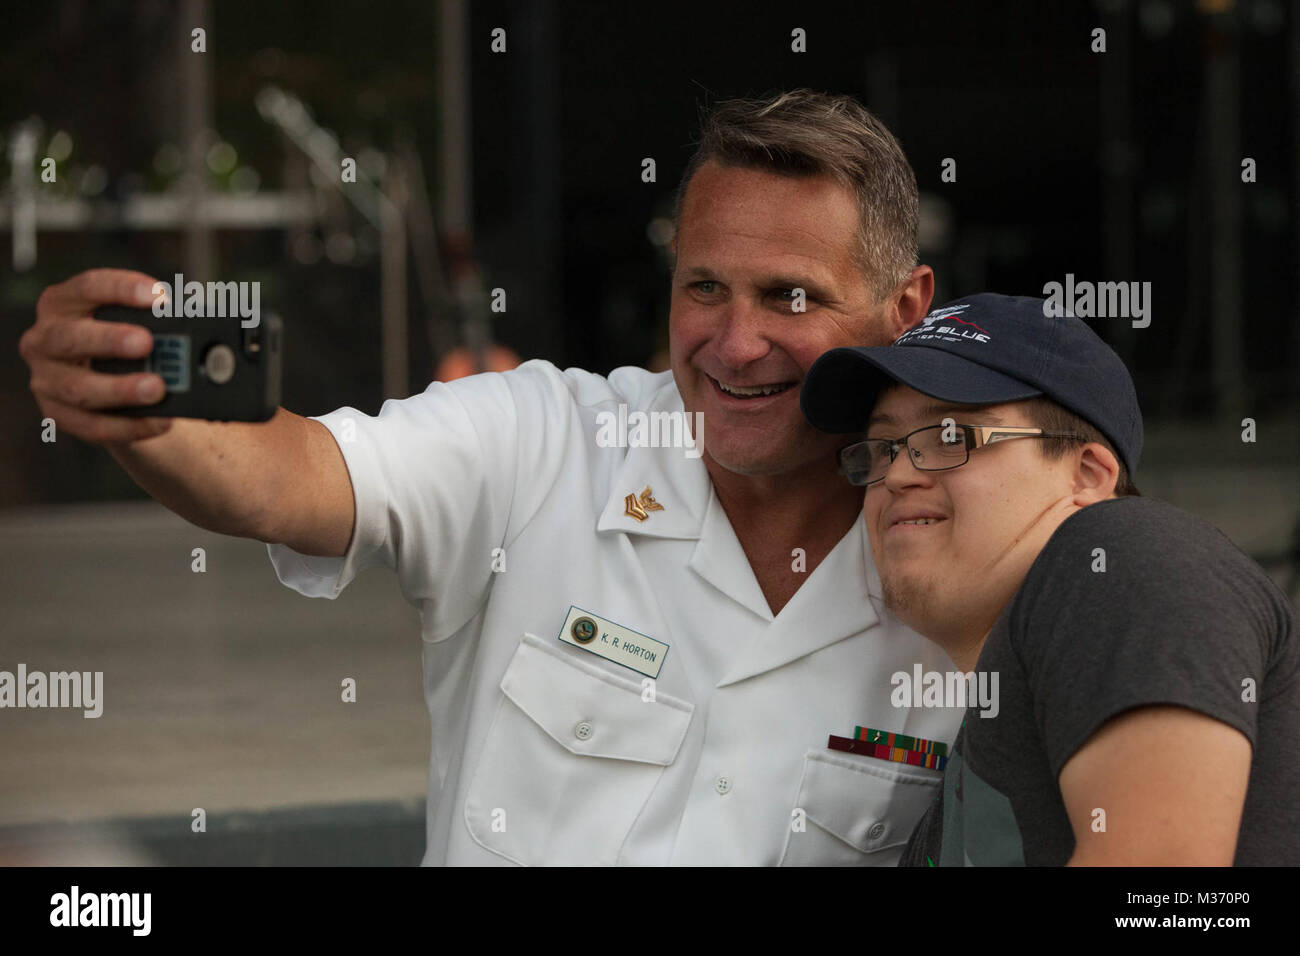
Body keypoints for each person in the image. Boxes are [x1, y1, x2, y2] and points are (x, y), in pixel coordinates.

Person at [19, 89, 964, 865]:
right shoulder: (538, 439)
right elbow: (293, 474)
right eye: (705, 287)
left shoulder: (965, 554)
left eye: (788, 298)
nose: (734, 342)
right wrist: (144, 410)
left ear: (905, 306)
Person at [800, 293, 1300, 865]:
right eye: (883, 448)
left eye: (950, 437)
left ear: (1088, 474)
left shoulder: (1119, 554)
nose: (897, 474)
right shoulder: (977, 759)